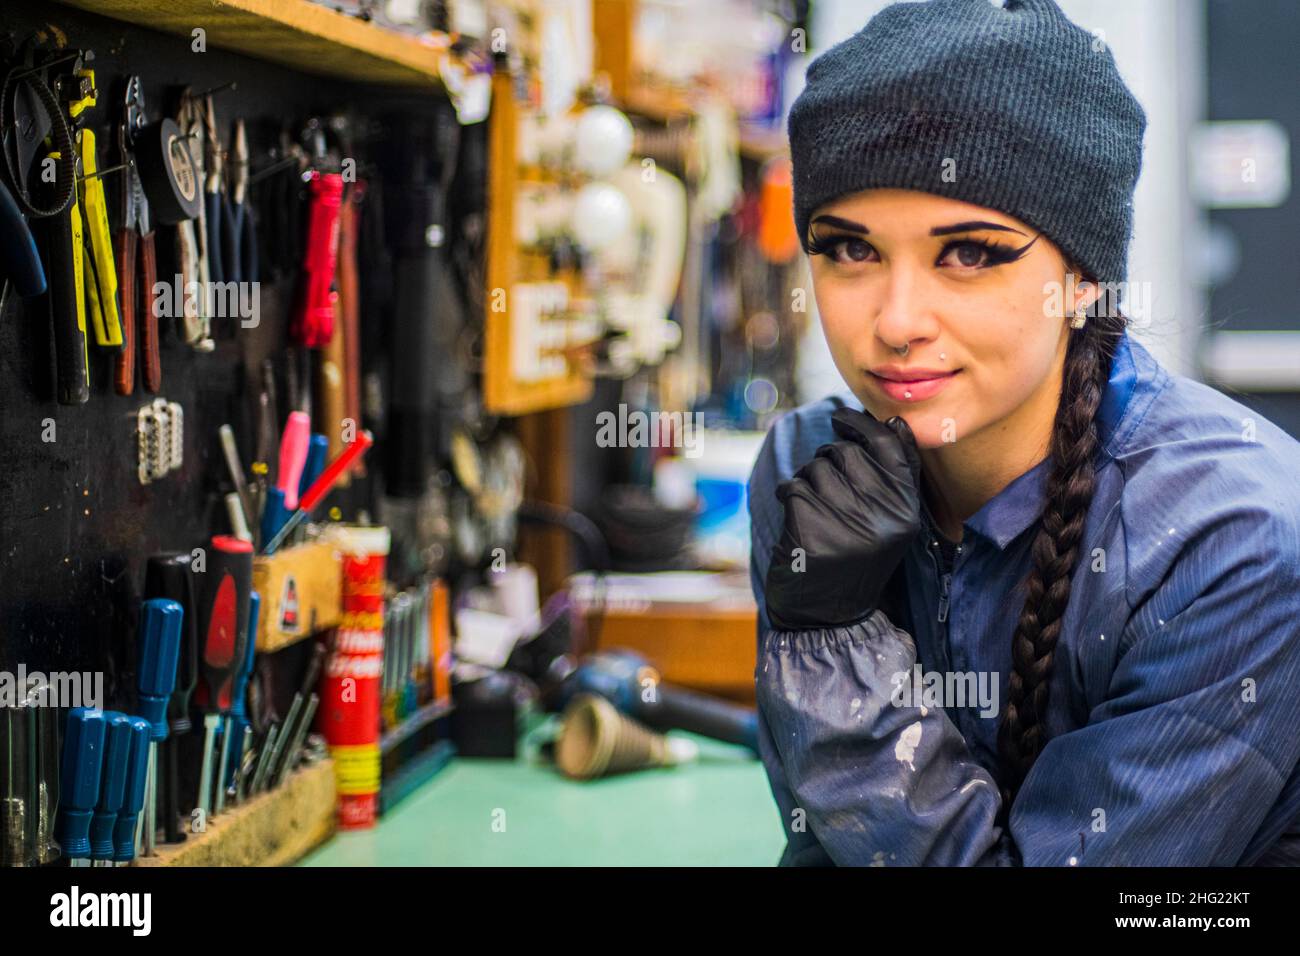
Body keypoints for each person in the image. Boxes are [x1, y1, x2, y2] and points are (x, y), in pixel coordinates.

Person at [748, 0, 1300, 866]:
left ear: (1083, 277)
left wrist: (832, 642)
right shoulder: (806, 477)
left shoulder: (1231, 539)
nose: (896, 321)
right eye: (850, 250)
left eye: (968, 254)